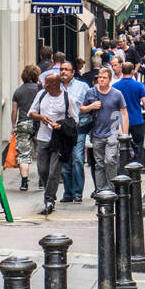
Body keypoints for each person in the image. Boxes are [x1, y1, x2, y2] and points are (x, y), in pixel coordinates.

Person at [28, 72, 81, 214]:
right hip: (43, 137)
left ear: (56, 84)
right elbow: (31, 112)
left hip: (59, 140)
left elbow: (75, 119)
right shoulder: (41, 95)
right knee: (42, 170)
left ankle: (49, 199)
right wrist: (41, 117)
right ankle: (49, 191)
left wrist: (61, 125)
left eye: (48, 83)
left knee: (53, 171)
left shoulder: (67, 98)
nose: (45, 86)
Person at [81, 66, 129, 193]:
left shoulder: (117, 94)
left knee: (110, 160)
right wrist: (91, 106)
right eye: (99, 78)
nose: (101, 80)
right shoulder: (91, 92)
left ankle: (112, 189)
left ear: (109, 79)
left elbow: (124, 113)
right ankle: (101, 191)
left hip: (112, 132)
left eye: (104, 78)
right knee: (99, 164)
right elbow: (82, 108)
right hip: (97, 132)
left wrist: (123, 132)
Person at [58, 61, 92, 202]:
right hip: (62, 130)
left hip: (78, 128)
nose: (63, 72)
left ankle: (77, 192)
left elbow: (90, 105)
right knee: (65, 160)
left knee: (77, 159)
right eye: (61, 69)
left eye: (66, 70)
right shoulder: (55, 87)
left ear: (73, 73)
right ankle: (68, 192)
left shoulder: (83, 87)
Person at [10, 65, 41, 191]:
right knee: (41, 153)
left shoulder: (18, 91)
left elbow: (14, 111)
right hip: (39, 123)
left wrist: (13, 125)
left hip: (23, 123)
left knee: (23, 154)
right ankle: (42, 181)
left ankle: (24, 182)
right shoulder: (40, 89)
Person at [113, 61, 145, 164]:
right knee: (138, 144)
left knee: (122, 145)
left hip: (121, 121)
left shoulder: (115, 86)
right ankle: (136, 165)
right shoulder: (139, 86)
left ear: (122, 70)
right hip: (136, 119)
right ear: (133, 71)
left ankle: (124, 165)